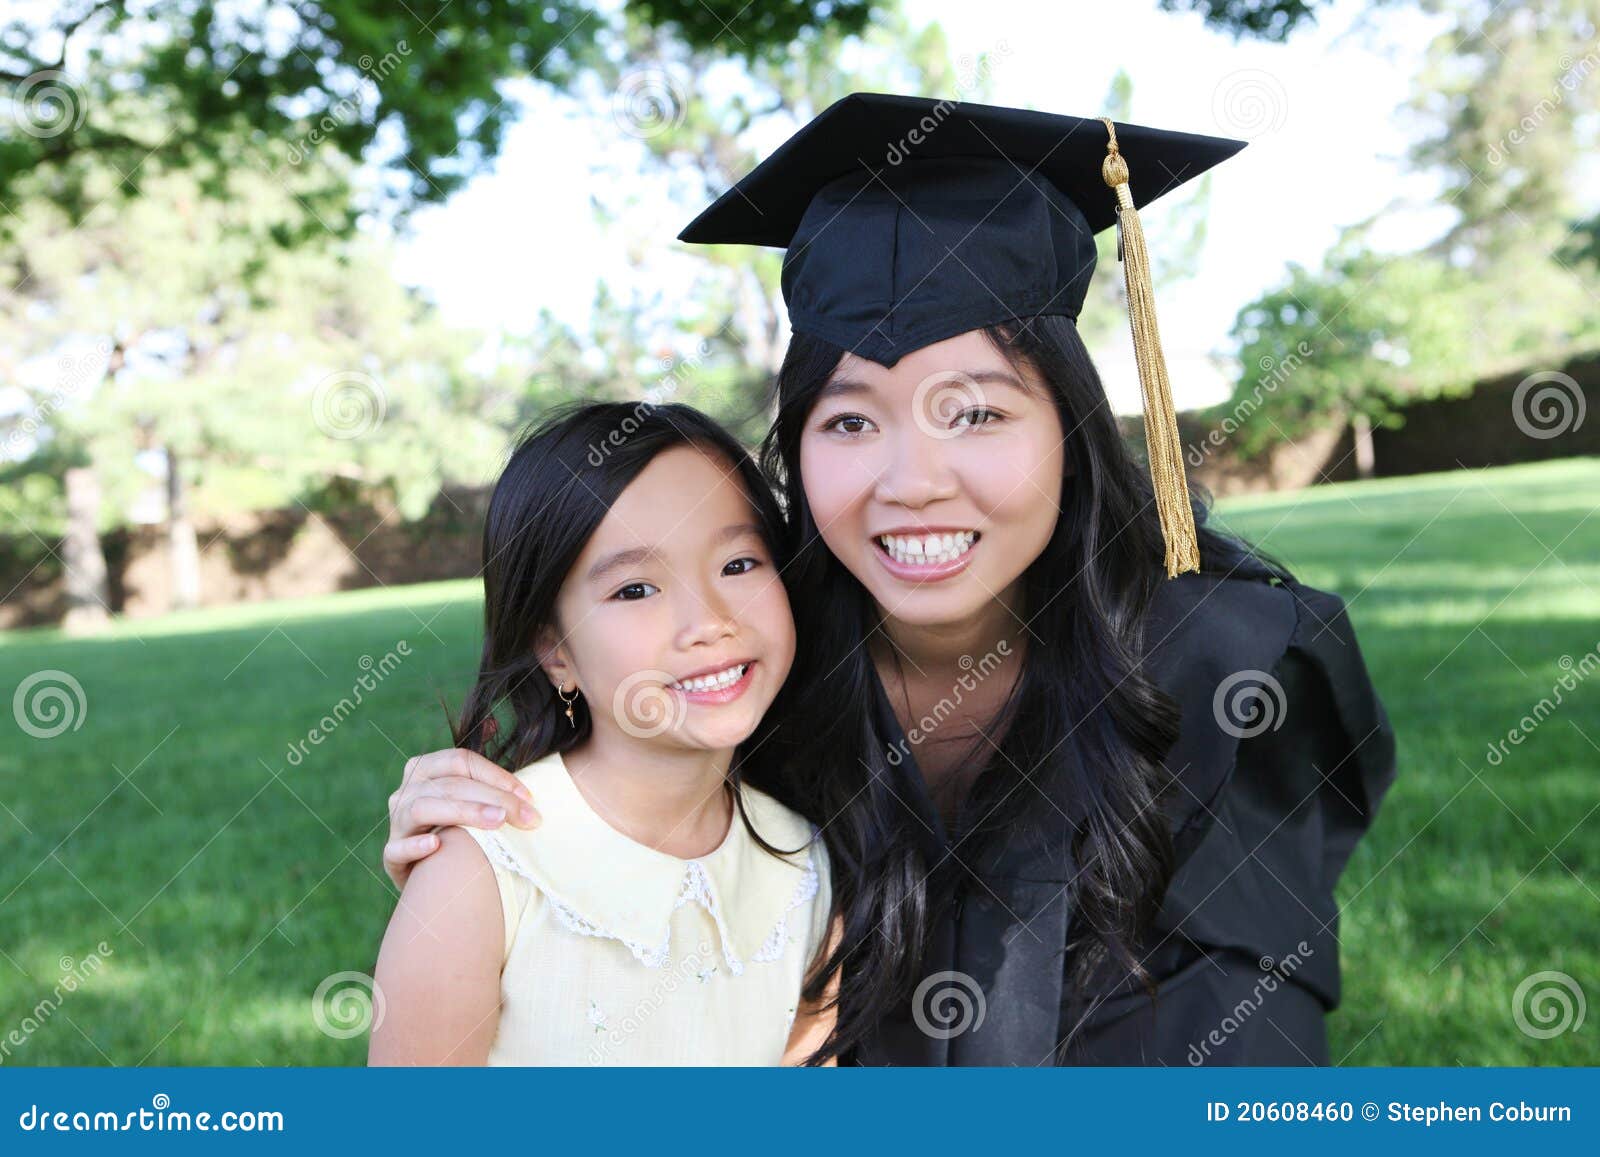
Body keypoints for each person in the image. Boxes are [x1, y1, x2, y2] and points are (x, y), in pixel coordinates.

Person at [381, 94, 1399, 1065]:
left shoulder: (1224, 670)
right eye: (852, 420)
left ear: (1070, 433)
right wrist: (486, 856)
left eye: (977, 413)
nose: (912, 483)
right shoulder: (762, 667)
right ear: (797, 446)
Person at [368, 402, 841, 1065]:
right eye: (636, 588)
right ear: (554, 650)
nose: (709, 621)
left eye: (738, 564)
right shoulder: (484, 866)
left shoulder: (805, 865)